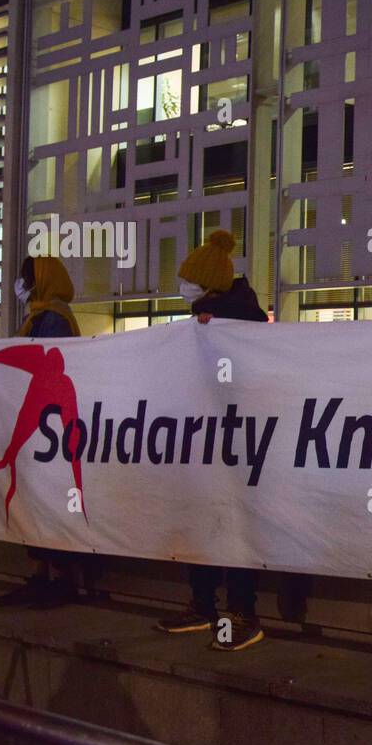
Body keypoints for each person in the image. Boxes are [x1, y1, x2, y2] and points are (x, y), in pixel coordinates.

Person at [155, 230, 268, 652]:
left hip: (236, 445)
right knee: (202, 524)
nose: (183, 287)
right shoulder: (202, 324)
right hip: (203, 444)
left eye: (189, 280)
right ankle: (204, 607)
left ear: (207, 284)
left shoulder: (241, 322)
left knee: (234, 526)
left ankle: (243, 614)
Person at [0, 255, 90, 609]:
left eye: (25, 278)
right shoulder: (40, 317)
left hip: (47, 430)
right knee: (36, 500)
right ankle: (45, 575)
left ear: (41, 281)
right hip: (43, 427)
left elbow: (38, 363)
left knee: (45, 500)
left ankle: (56, 578)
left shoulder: (52, 319)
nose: (20, 285)